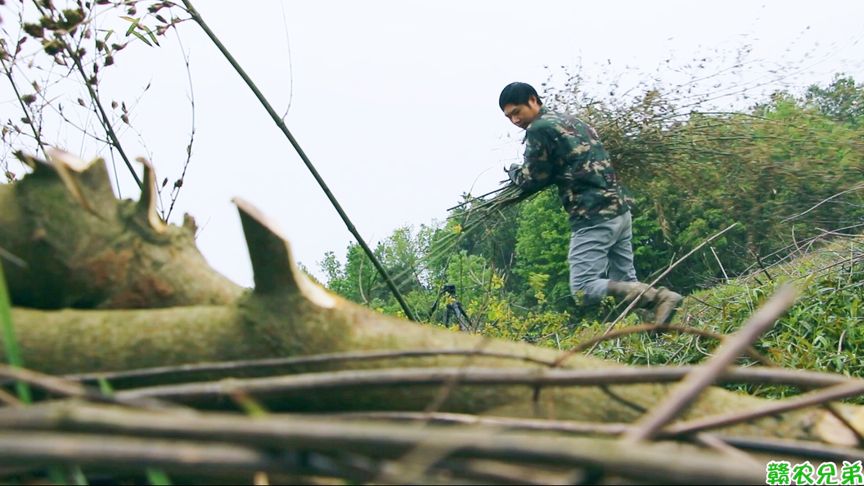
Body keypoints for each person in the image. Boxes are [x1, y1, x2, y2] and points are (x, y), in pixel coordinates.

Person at [499, 81, 682, 324]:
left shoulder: (539, 129)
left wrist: (514, 172)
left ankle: (659, 297)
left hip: (592, 215)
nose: (515, 120)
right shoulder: (573, 121)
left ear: (533, 100)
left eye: (517, 112)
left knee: (583, 288)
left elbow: (533, 178)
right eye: (509, 117)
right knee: (626, 280)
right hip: (619, 210)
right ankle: (656, 325)